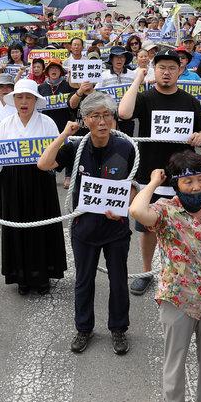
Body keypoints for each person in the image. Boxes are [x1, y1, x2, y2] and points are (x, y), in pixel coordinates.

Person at [129, 152, 201, 402]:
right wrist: (154, 182)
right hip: (177, 299)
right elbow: (136, 209)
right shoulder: (165, 212)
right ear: (176, 185)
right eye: (188, 182)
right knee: (174, 369)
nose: (196, 187)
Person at [38, 92, 134, 355]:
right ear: (85, 120)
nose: (102, 122)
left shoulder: (126, 147)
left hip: (116, 228)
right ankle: (83, 328)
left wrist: (124, 209)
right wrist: (64, 134)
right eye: (94, 116)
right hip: (84, 228)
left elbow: (134, 186)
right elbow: (44, 163)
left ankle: (118, 328)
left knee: (118, 281)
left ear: (113, 119)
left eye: (106, 115)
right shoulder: (76, 147)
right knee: (84, 280)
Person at [118, 53, 201, 296]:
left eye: (172, 68)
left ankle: (185, 272)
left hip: (184, 174)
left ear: (180, 71)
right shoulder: (146, 98)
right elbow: (124, 113)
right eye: (161, 68)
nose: (167, 72)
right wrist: (139, 76)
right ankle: (147, 271)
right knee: (146, 227)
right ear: (155, 70)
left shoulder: (190, 101)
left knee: (186, 226)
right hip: (151, 173)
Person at [0, 79, 67, 295]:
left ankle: (43, 275)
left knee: (42, 225)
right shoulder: (5, 124)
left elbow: (57, 154)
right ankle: (21, 276)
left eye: (28, 97)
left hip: (41, 181)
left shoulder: (47, 122)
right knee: (17, 224)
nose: (24, 101)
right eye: (19, 97)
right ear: (14, 100)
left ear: (35, 100)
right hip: (12, 181)